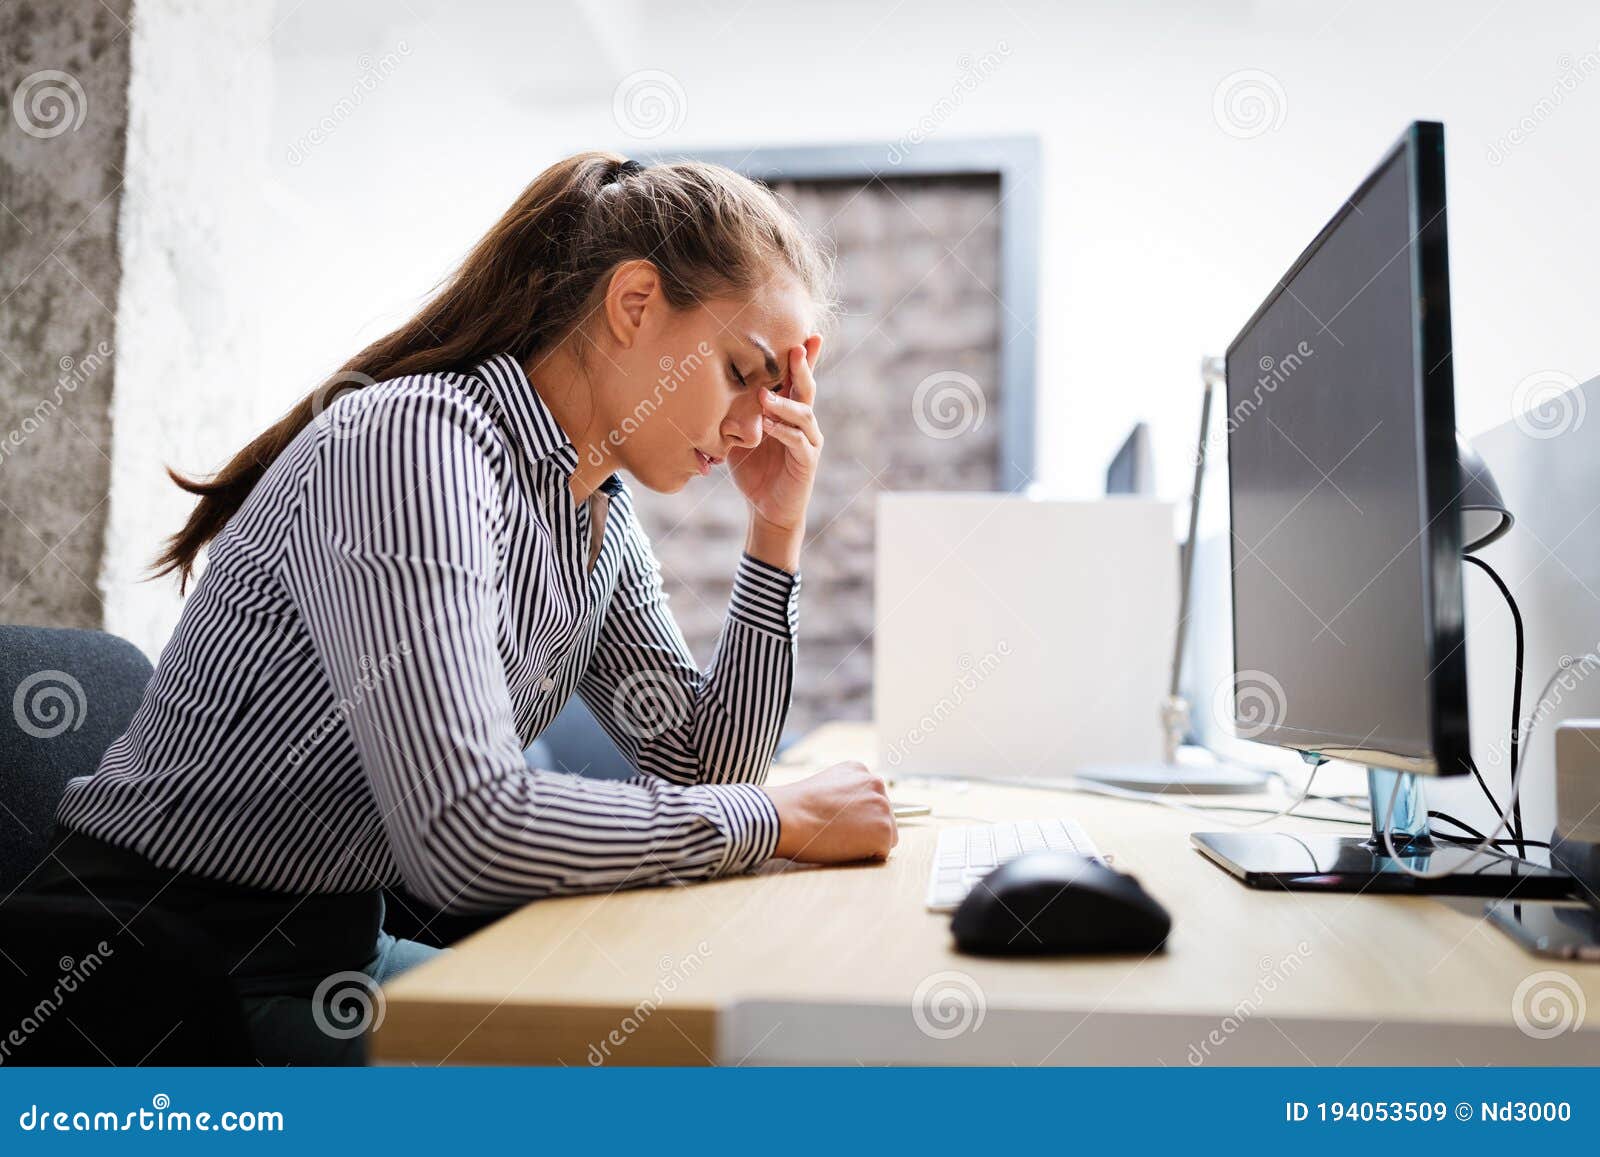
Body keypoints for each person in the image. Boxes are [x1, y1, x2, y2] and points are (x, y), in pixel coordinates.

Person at [31, 151, 896, 1064]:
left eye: (778, 393)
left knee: (700, 1047)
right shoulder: (412, 443)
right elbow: (466, 830)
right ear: (635, 302)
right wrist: (780, 817)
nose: (756, 424)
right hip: (163, 979)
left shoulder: (592, 502)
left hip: (333, 952)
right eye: (740, 370)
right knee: (665, 1082)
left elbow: (700, 761)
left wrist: (776, 528)